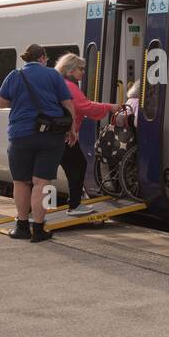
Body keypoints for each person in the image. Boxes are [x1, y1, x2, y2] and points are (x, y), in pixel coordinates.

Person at [0, 44, 76, 242]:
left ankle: (22, 227)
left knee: (21, 181)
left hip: (21, 135)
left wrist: (21, 101)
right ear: (42, 57)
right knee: (43, 182)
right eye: (46, 58)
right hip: (51, 136)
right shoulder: (53, 75)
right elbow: (68, 104)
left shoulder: (14, 75)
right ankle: (39, 229)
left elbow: (1, 103)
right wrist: (72, 129)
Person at [55, 54, 116, 216]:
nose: (83, 72)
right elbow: (85, 107)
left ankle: (73, 200)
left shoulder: (60, 83)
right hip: (65, 136)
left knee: (69, 167)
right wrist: (109, 107)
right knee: (79, 165)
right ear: (70, 69)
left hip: (57, 134)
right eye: (81, 69)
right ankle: (74, 205)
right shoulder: (70, 86)